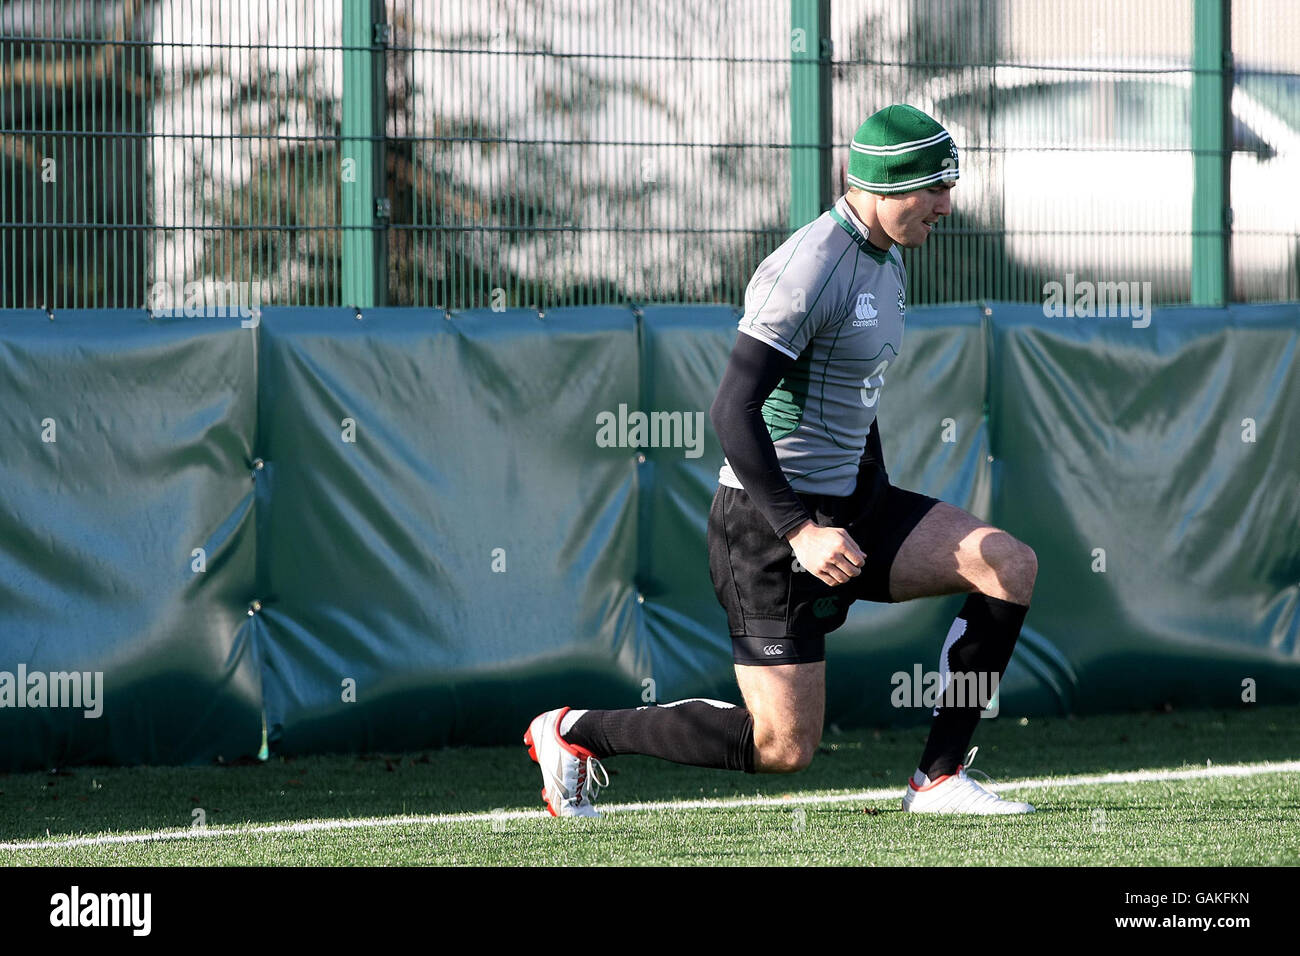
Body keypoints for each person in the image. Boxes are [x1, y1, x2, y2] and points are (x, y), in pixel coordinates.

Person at [524, 104, 1037, 816]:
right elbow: (731, 410)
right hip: (769, 527)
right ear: (887, 186)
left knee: (1006, 563)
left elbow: (855, 396)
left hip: (852, 505)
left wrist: (868, 499)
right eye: (934, 189)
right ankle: (573, 731)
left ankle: (939, 779)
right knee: (783, 748)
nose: (947, 206)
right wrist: (802, 530)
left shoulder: (887, 261)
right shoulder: (808, 267)